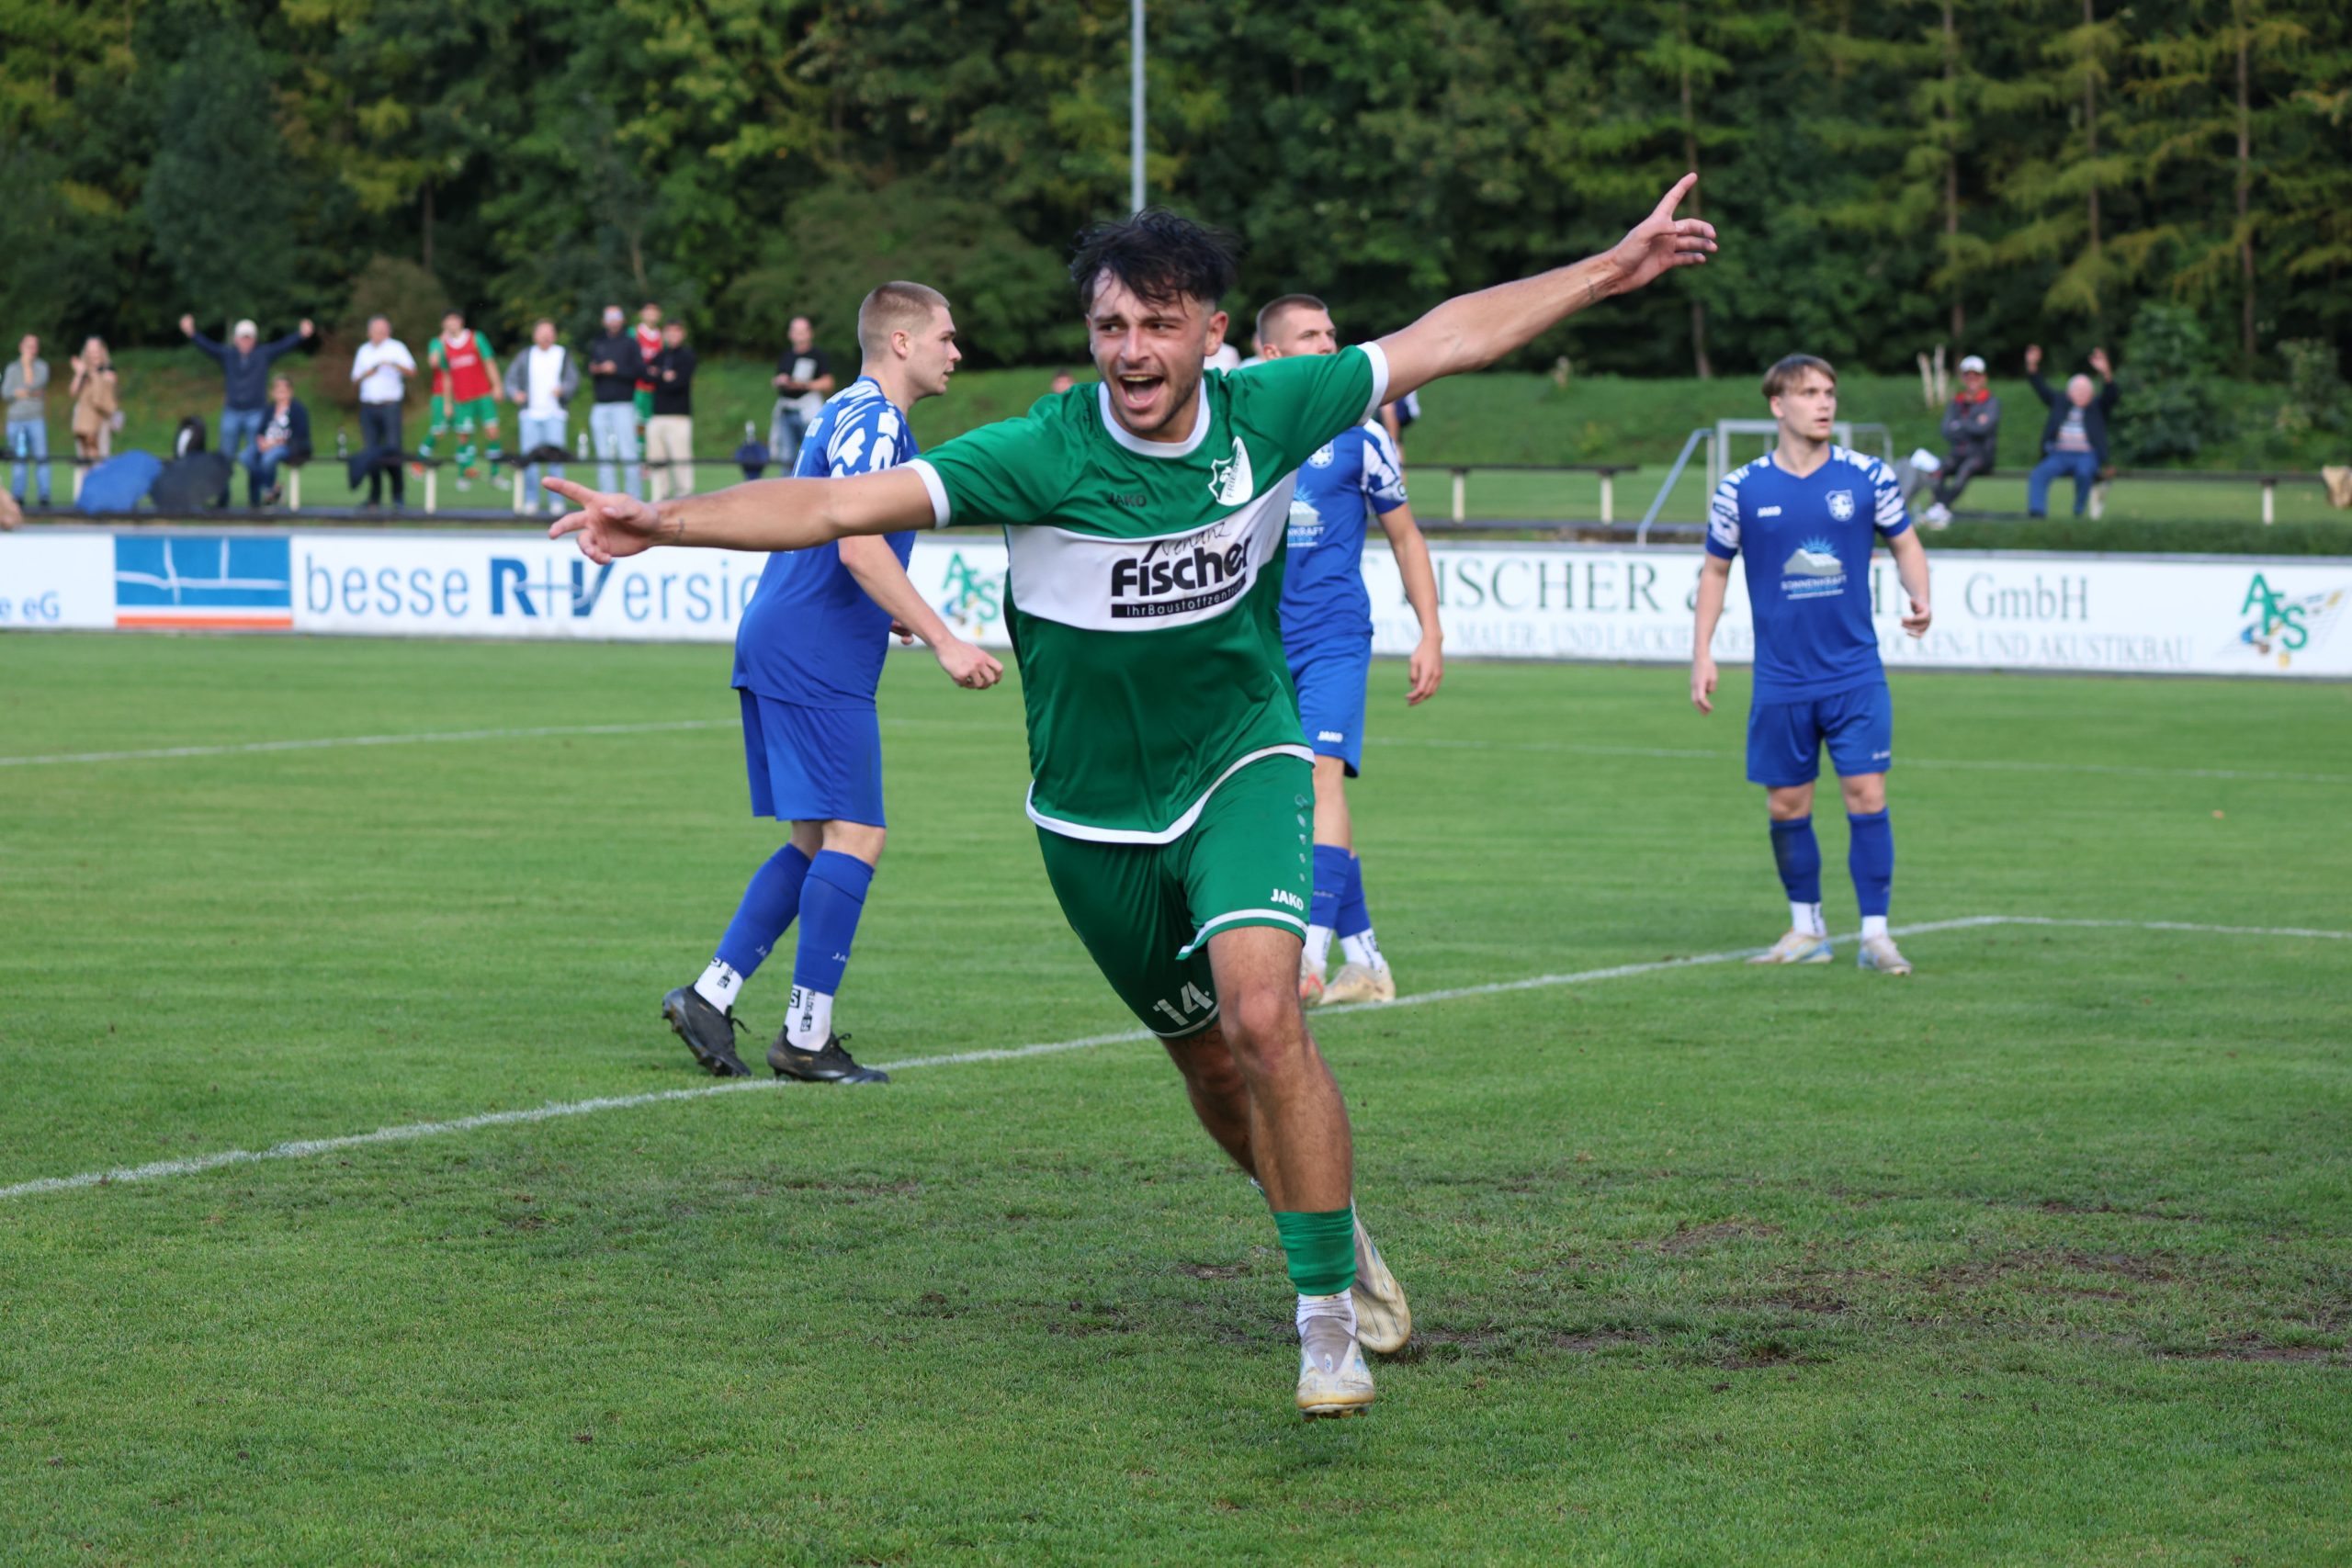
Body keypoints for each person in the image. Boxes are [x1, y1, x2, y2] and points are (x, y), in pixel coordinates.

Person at [548, 182, 1713, 1418]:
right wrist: (664, 519)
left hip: (1241, 762)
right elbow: (834, 507)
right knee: (1213, 1069)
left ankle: (1325, 1323)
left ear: (1212, 330)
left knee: (1268, 1016)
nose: (1133, 351)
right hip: (1092, 823)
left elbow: (1447, 333)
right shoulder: (1043, 450)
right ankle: (1338, 1229)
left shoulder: (1273, 407)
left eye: (1158, 324)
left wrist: (1607, 269)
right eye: (1111, 326)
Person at [654, 281, 1003, 1088]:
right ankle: (804, 1037)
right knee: (859, 836)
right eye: (948, 337)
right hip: (812, 650)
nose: (959, 351)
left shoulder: (848, 409)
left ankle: (710, 994)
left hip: (794, 632)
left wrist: (888, 613)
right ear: (904, 342)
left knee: (814, 840)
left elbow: (830, 533)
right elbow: (853, 544)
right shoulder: (878, 420)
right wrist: (948, 639)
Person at [1690, 354, 1933, 977]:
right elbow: (1715, 571)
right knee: (1787, 807)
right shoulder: (1739, 489)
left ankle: (1876, 935)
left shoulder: (1867, 477)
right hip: (1781, 678)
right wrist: (1702, 653)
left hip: (1854, 673)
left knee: (1866, 794)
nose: (1824, 403)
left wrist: (1920, 593)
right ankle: (1806, 928)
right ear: (1778, 405)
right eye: (1809, 393)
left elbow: (1905, 540)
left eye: (1829, 392)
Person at [1252, 294, 1444, 1009]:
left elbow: (1406, 536)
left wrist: (1431, 630)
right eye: (1311, 336)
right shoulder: (1241, 438)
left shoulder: (1361, 436)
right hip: (1261, 642)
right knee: (1289, 792)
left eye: (1332, 332)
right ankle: (1366, 961)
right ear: (1271, 355)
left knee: (1318, 780)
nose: (1330, 345)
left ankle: (1308, 952)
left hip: (1334, 636)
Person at [180, 313, 313, 505]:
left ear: (254, 339)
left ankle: (255, 498)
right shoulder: (228, 355)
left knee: (256, 456)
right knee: (225, 457)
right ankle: (223, 498)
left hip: (256, 413)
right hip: (232, 412)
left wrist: (301, 335)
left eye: (249, 337)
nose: (245, 341)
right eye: (242, 337)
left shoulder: (263, 354)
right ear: (236, 339)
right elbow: (207, 347)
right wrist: (192, 333)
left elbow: (284, 345)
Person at [2024, 344, 2118, 518]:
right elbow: (2040, 387)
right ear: (2069, 392)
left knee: (2084, 473)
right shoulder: (2060, 402)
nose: (2081, 393)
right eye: (2077, 390)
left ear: (2091, 393)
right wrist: (2032, 365)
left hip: (2087, 454)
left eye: (2085, 390)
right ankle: (2037, 513)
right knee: (2038, 475)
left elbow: (2112, 395)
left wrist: (2106, 372)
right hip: (2059, 454)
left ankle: (2078, 511)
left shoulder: (2097, 407)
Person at [418, 310, 504, 488]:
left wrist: (497, 385)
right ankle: (463, 475)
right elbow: (446, 376)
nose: (452, 324)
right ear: (444, 324)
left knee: (493, 432)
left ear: (461, 321)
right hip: (462, 399)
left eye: (454, 320)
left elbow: (489, 362)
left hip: (483, 395)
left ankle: (495, 475)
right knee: (464, 436)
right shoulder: (443, 346)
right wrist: (448, 403)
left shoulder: (476, 338)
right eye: (448, 321)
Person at [504, 319, 576, 513]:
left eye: (549, 331)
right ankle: (531, 500)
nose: (546, 336)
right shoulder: (526, 356)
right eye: (542, 332)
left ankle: (556, 501)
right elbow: (510, 380)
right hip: (530, 414)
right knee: (529, 461)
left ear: (554, 334)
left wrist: (563, 390)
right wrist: (515, 394)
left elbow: (573, 381)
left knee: (555, 460)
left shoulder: (562, 354)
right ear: (535, 335)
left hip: (555, 414)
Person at [1921, 354, 2000, 525]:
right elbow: (1946, 430)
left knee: (1965, 470)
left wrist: (1961, 424)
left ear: (1983, 378)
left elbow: (1984, 429)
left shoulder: (1991, 401)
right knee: (1938, 469)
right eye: (1968, 376)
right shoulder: (1956, 402)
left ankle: (1940, 508)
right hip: (1959, 451)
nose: (1972, 380)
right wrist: (1972, 424)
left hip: (1981, 454)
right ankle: (1940, 509)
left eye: (1976, 376)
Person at [350, 315, 416, 508]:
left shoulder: (396, 348)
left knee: (393, 451)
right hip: (369, 407)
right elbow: (355, 379)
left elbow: (412, 371)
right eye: (376, 330)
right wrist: (368, 373)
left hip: (390, 406)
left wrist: (392, 364)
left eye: (383, 330)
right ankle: (374, 497)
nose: (380, 334)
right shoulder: (363, 350)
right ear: (369, 332)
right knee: (370, 453)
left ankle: (398, 495)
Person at [585, 306, 644, 499]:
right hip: (601, 404)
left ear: (622, 319)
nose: (613, 321)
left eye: (616, 317)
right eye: (609, 317)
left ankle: (634, 499)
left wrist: (616, 369)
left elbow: (639, 372)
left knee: (628, 453)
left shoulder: (630, 343)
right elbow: (590, 367)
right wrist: (596, 369)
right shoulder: (598, 342)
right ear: (604, 321)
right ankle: (607, 499)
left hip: (623, 405)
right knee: (603, 455)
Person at [769, 316, 836, 468]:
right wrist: (781, 381)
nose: (799, 335)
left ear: (809, 333)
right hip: (786, 410)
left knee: (812, 451)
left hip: (808, 410)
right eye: (796, 331)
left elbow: (828, 382)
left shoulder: (818, 355)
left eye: (802, 331)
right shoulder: (786, 356)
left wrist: (803, 385)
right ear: (790, 334)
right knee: (786, 455)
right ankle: (787, 488)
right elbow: (776, 379)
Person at [644, 321, 697, 503]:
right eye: (669, 332)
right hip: (658, 415)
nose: (673, 336)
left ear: (682, 334)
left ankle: (684, 500)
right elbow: (647, 374)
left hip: (678, 417)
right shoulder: (660, 356)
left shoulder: (687, 355)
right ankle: (659, 500)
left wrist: (662, 376)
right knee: (656, 460)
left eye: (676, 332)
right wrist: (663, 376)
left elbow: (679, 382)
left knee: (680, 460)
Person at [247, 375, 311, 506]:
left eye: (283, 390)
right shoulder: (269, 409)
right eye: (277, 389)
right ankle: (273, 488)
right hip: (267, 444)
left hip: (287, 446)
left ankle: (269, 490)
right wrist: (262, 441)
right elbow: (260, 430)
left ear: (290, 391)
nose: (280, 393)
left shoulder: (298, 409)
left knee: (269, 458)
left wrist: (274, 443)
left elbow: (300, 434)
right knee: (246, 457)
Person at [6, 334, 51, 506]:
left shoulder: (42, 366)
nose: (31, 350)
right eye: (28, 346)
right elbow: (6, 392)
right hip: (16, 419)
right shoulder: (11, 368)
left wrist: (26, 368)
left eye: (34, 347)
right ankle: (17, 496)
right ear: (21, 347)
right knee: (19, 458)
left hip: (35, 419)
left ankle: (44, 496)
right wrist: (26, 392)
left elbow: (34, 384)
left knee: (41, 457)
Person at [68, 337, 120, 469]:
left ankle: (101, 485)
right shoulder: (83, 371)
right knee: (84, 456)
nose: (93, 354)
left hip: (101, 417)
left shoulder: (108, 369)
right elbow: (72, 392)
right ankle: (85, 483)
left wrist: (89, 373)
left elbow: (109, 390)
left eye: (96, 350)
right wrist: (79, 374)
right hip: (84, 417)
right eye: (90, 351)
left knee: (102, 455)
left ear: (102, 351)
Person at [631, 302, 663, 434]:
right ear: (641, 314)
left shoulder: (662, 337)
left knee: (651, 422)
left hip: (655, 388)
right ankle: (639, 446)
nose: (651, 315)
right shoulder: (633, 333)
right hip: (637, 387)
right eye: (648, 311)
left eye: (654, 312)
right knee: (638, 422)